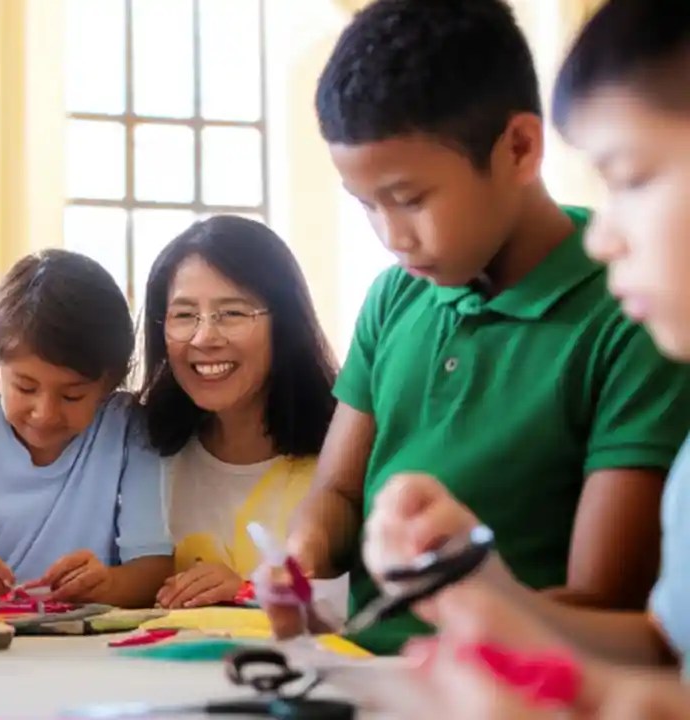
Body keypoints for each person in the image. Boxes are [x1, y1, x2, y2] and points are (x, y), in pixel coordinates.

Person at [278, 0, 690, 655]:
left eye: (411, 200)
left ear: (521, 149)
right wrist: (301, 554)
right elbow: (337, 487)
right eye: (366, 206)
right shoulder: (394, 298)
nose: (391, 237)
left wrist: (478, 609)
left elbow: (618, 612)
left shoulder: (643, 312)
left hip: (524, 683)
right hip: (371, 675)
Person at [0, 249, 172, 608]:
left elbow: (152, 567)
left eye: (72, 395)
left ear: (108, 383)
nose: (45, 413)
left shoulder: (130, 432)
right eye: (25, 388)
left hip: (93, 641)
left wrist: (110, 584)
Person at [137, 216, 340, 612]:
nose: (204, 338)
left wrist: (247, 592)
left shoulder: (341, 460)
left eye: (232, 313)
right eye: (183, 315)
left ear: (284, 323)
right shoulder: (142, 453)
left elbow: (373, 604)